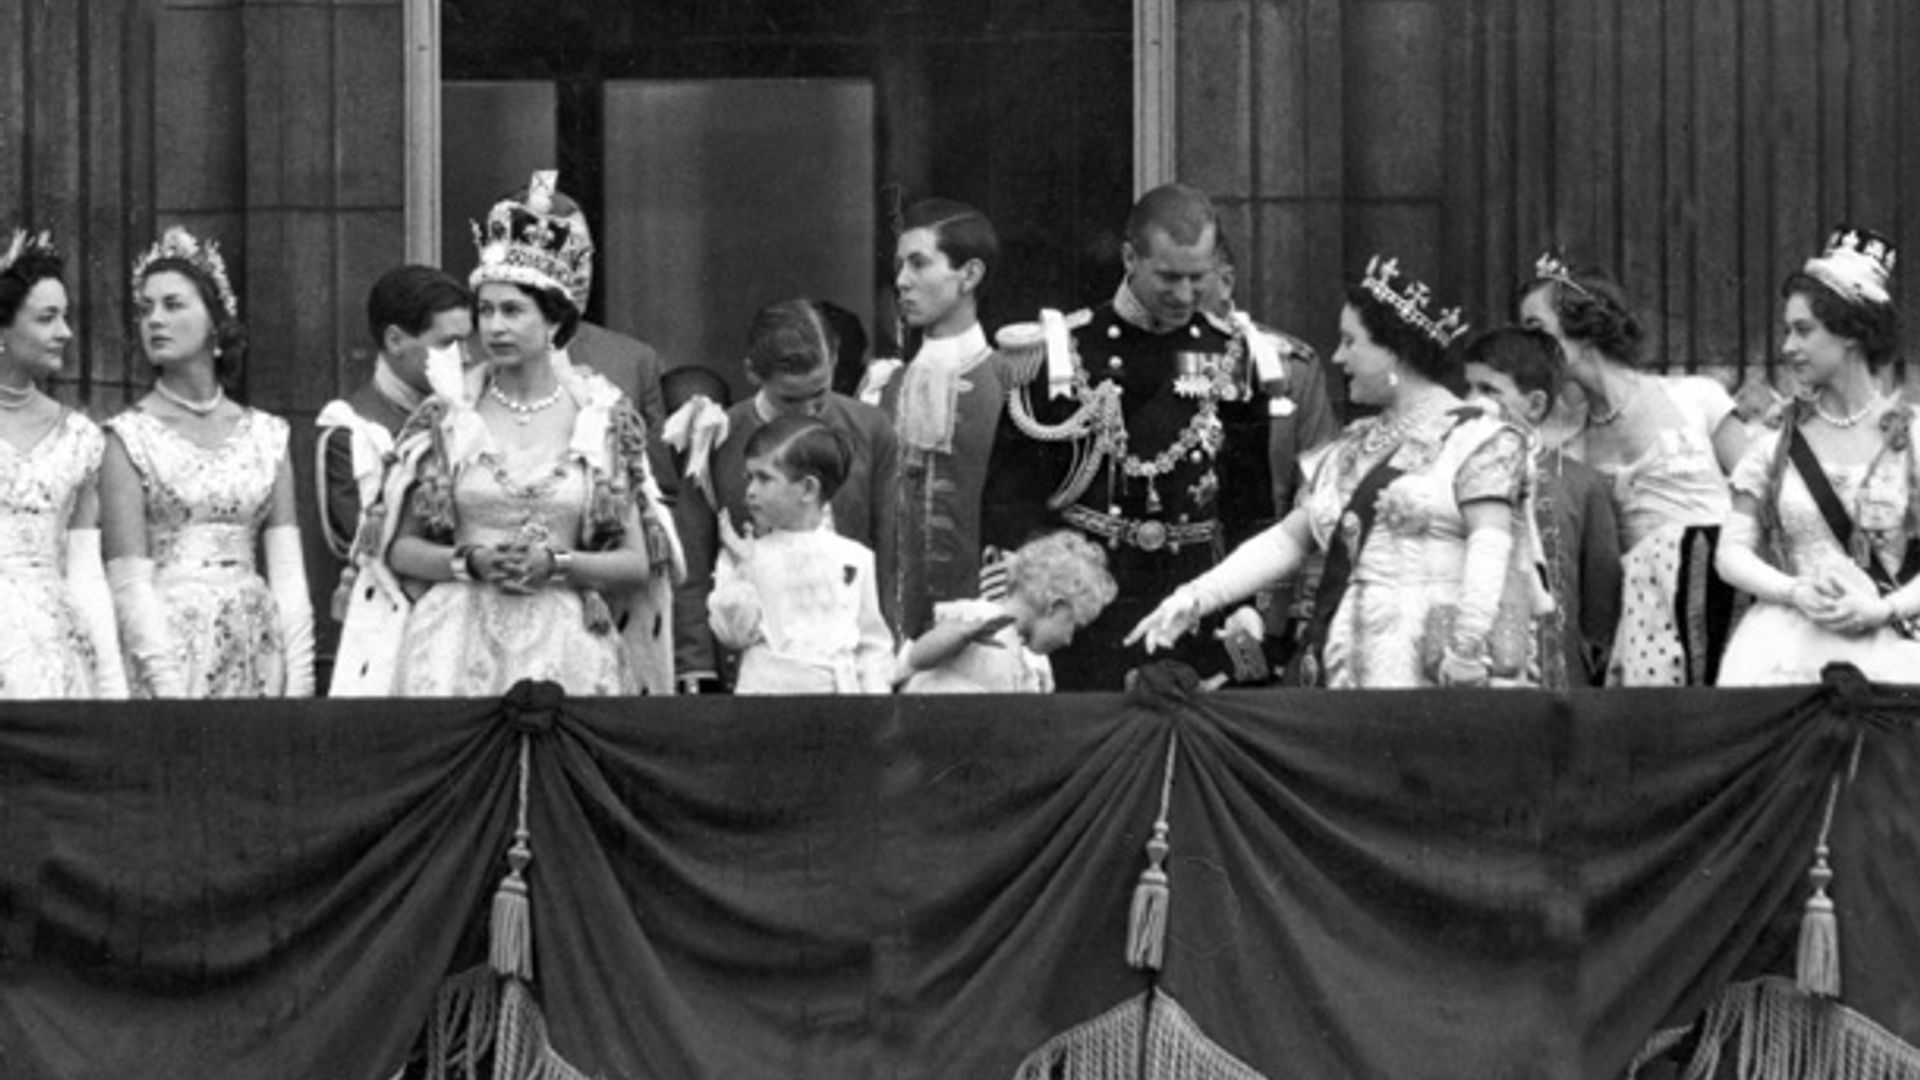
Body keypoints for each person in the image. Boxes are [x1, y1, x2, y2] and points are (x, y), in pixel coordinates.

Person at [1129, 255, 1543, 689]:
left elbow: (1490, 548)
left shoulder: (1476, 439)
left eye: (1350, 341)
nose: (1338, 356)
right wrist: (1193, 597)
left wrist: (1467, 649)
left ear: (1395, 354)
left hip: (1438, 680)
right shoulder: (1352, 446)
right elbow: (1287, 540)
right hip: (1346, 676)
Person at [375, 171, 681, 697]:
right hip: (454, 645)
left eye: (513, 311)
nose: (494, 327)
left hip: (567, 645)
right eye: (486, 311)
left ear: (554, 321)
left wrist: (557, 565)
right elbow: (400, 548)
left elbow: (635, 562)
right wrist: (472, 561)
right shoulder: (447, 414)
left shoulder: (601, 418)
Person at [986, 183, 1284, 690]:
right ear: (1130, 257)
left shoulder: (1236, 354)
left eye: (1198, 278)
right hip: (1082, 605)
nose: (1186, 295)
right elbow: (1011, 500)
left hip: (1193, 596)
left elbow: (1247, 501)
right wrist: (1023, 608)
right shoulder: (1064, 351)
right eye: (1169, 277)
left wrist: (1246, 606)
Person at [101, 226, 314, 697]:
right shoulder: (126, 438)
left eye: (173, 305)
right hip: (172, 652)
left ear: (216, 322)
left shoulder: (268, 435)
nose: (155, 319)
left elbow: (288, 573)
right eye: (145, 309)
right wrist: (166, 689)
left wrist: (299, 685)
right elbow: (131, 585)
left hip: (258, 646)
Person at [1517, 255, 1747, 685]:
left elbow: (1765, 493)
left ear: (1582, 327)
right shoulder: (1567, 448)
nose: (1526, 348)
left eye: (1536, 330)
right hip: (1650, 621)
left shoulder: (1698, 397)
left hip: (1728, 593)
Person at [1715, 227, 1920, 685]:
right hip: (1784, 650)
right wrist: (1793, 591)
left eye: (1803, 330)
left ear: (1851, 334)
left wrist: (1884, 607)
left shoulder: (1916, 439)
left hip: (1895, 644)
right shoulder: (1776, 443)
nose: (1788, 347)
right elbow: (1731, 553)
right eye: (1788, 331)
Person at [676, 298, 899, 689]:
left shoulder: (870, 429)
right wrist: (697, 667)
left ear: (834, 360)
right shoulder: (717, 439)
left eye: (821, 394)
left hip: (848, 671)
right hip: (754, 665)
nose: (810, 410)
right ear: (752, 373)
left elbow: (892, 551)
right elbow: (692, 563)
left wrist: (883, 667)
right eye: (791, 400)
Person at [863, 198, 1017, 639]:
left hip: (988, 631)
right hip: (892, 635)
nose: (901, 281)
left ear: (969, 275)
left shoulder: (1011, 382)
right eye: (899, 265)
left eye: (918, 264)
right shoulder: (881, 386)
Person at [0, 230, 126, 698]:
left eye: (65, 318)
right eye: (47, 318)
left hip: (58, 652)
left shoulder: (81, 438)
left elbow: (86, 572)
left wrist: (113, 695)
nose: (65, 333)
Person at [1463, 326, 1622, 688]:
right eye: (1468, 388)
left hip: (1556, 675)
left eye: (1489, 390)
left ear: (1534, 404)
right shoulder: (1450, 477)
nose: (1474, 402)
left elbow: (1601, 603)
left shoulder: (1583, 484)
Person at [707, 415, 893, 693]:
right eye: (749, 478)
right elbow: (733, 636)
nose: (750, 491)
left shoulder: (854, 557)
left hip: (840, 705)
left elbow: (873, 645)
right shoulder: (746, 555)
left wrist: (875, 704)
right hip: (767, 699)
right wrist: (742, 570)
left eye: (764, 479)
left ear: (808, 489)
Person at [317, 266, 473, 561]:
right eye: (448, 343)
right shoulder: (352, 433)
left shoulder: (475, 414)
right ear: (395, 341)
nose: (466, 357)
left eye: (467, 341)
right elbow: (370, 546)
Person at [894, 529, 1116, 693]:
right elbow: (914, 659)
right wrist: (960, 635)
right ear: (1054, 606)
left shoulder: (1036, 663)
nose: (1068, 640)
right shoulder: (977, 617)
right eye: (1073, 626)